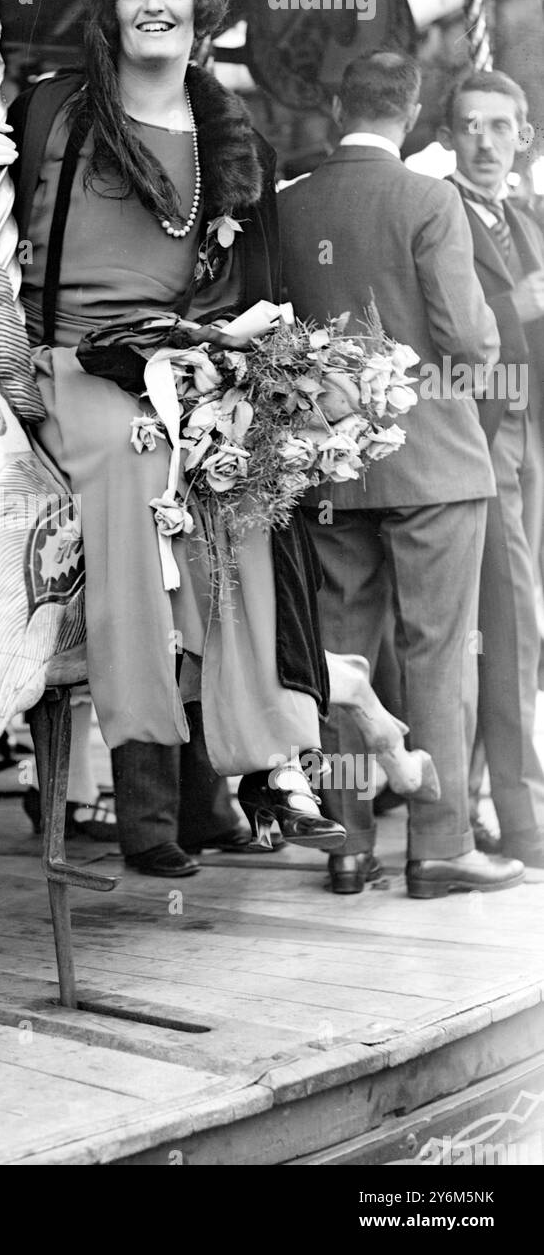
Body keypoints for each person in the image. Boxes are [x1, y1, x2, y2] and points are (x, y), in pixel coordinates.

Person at [0, 0, 341, 877]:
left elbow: (250, 283)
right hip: (73, 365)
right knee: (138, 467)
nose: (155, 5)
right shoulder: (53, 111)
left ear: (201, 12)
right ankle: (145, 801)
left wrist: (243, 375)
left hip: (182, 363)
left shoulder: (231, 140)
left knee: (241, 499)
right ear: (109, 12)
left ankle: (230, 777)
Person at [279, 50, 524, 897]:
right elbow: (467, 336)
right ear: (413, 113)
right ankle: (440, 842)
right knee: (438, 652)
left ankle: (347, 846)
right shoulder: (430, 199)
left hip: (330, 467)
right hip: (434, 464)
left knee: (341, 658)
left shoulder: (291, 205)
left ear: (337, 102)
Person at [436, 69, 544, 869]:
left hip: (528, 433)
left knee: (514, 625)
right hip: (477, 436)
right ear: (449, 135)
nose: (484, 141)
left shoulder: (526, 217)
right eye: (469, 125)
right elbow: (447, 325)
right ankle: (521, 817)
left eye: (500, 127)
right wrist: (523, 309)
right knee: (504, 628)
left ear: (524, 138)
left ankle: (482, 802)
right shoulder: (439, 214)